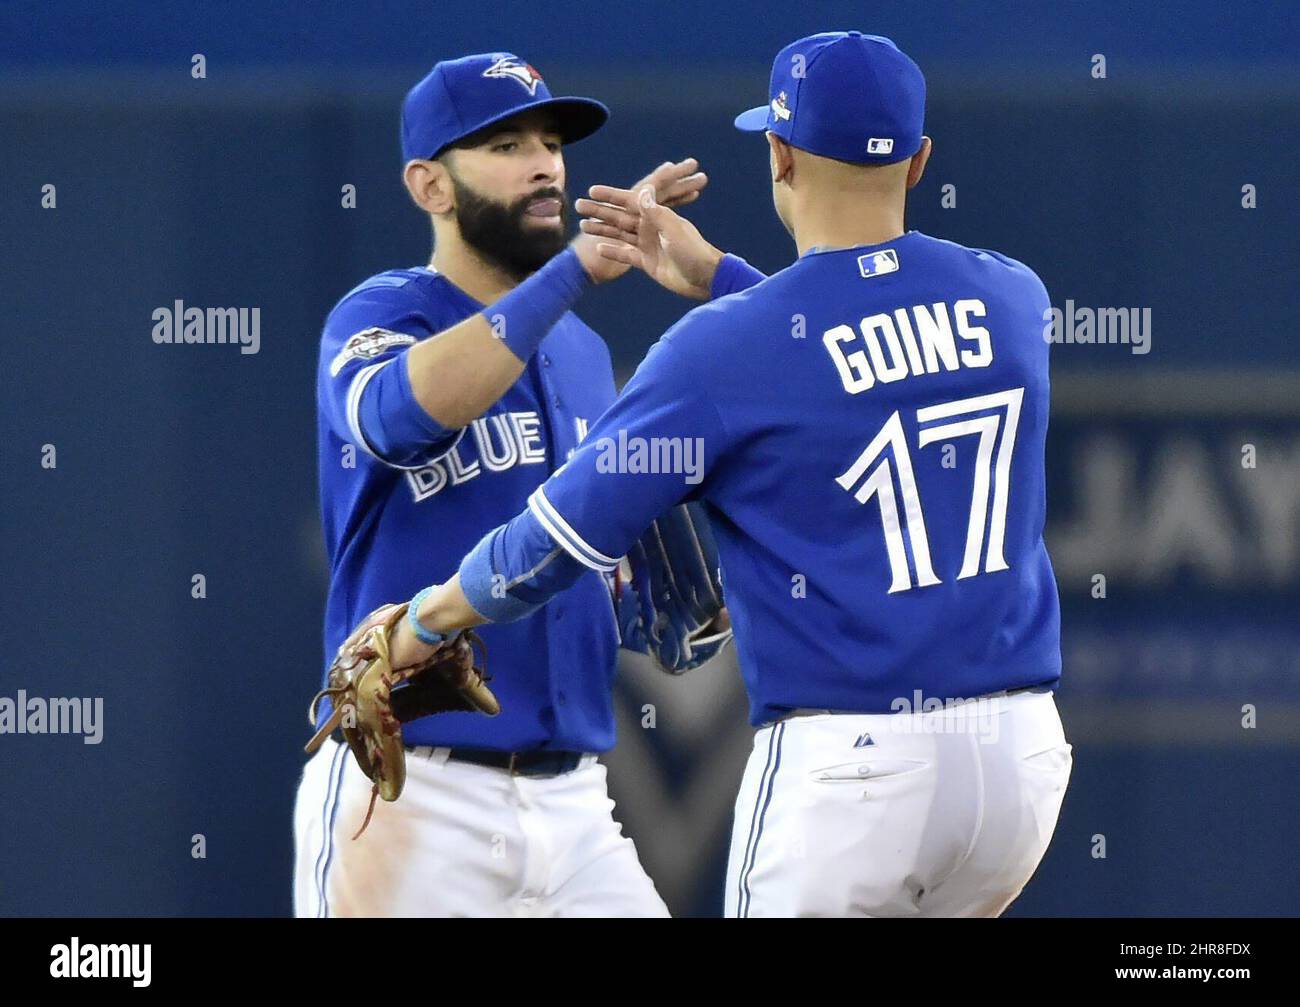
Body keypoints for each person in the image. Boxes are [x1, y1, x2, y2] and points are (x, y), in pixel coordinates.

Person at [373, 32, 1074, 918]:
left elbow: (551, 543)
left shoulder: (725, 350)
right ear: (920, 158)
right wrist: (719, 276)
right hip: (1019, 766)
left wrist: (429, 617)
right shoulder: (1014, 297)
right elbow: (865, 353)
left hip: (855, 773)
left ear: (778, 153)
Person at [293, 50, 715, 918]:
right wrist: (572, 274)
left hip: (576, 802)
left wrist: (639, 588)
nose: (544, 163)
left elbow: (599, 551)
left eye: (552, 141)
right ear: (430, 186)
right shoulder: (380, 314)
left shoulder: (586, 356)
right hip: (412, 790)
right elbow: (398, 420)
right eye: (505, 143)